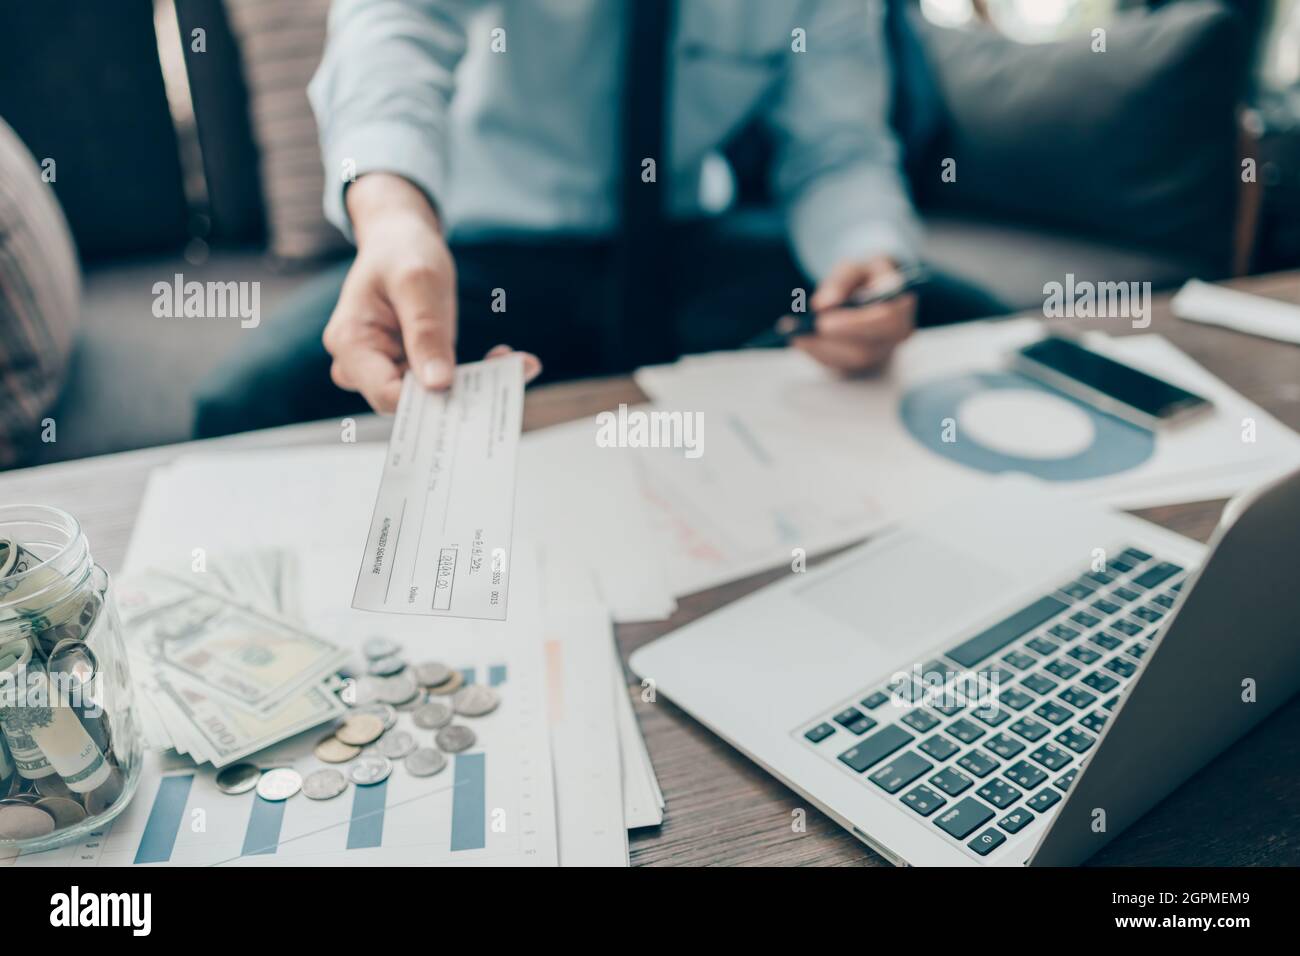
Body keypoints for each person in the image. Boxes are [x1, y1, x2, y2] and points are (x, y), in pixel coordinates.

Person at [194, 0, 1004, 436]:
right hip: (485, 253)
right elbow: (394, 27)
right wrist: (394, 215)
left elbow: (835, 148)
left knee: (973, 323)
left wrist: (869, 259)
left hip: (687, 247)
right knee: (245, 404)